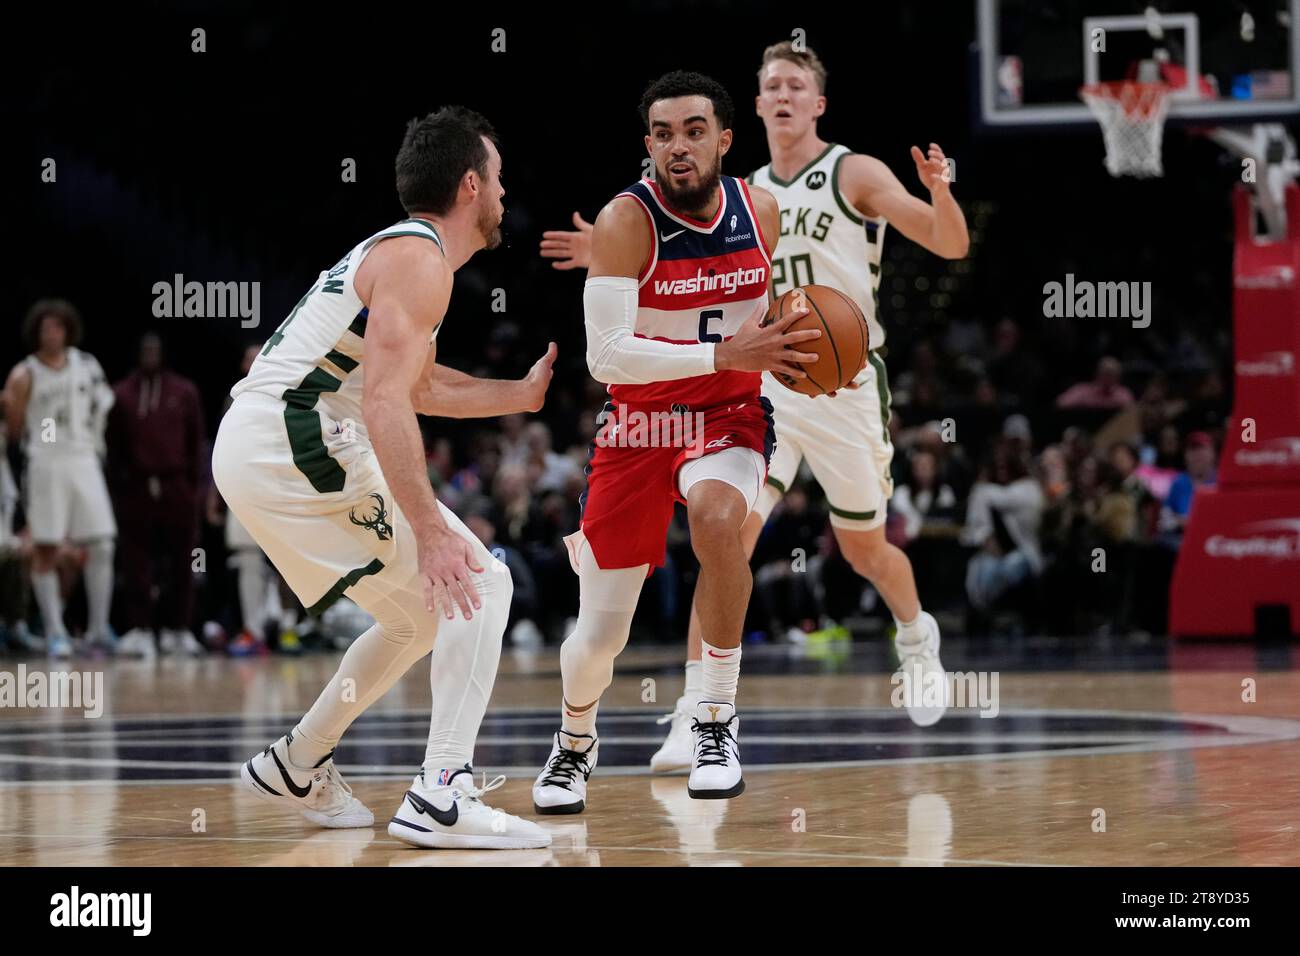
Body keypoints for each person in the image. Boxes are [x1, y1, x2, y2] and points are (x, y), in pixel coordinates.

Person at [539, 42, 971, 767]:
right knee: (724, 536)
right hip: (759, 379)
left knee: (864, 548)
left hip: (839, 383)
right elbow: (689, 271)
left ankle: (916, 636)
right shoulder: (740, 190)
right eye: (770, 84)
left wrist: (941, 192)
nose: (782, 94)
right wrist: (615, 252)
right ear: (756, 104)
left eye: (796, 85)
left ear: (818, 103)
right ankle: (694, 714)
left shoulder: (851, 172)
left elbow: (948, 243)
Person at [212, 106, 556, 850]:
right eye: (498, 178)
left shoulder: (406, 258)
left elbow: (419, 387)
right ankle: (442, 792)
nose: (504, 193)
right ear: (471, 184)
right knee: (479, 582)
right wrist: (432, 530)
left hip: (263, 442)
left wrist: (517, 396)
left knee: (419, 617)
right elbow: (384, 400)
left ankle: (299, 760)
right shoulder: (419, 261)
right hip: (294, 437)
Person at [530, 70, 824, 812]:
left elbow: (769, 323)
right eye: (663, 134)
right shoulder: (625, 222)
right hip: (638, 426)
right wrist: (726, 355)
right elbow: (605, 357)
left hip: (727, 417)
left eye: (694, 130)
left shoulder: (762, 212)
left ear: (726, 139)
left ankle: (714, 721)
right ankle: (573, 741)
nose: (678, 146)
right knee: (599, 638)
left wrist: (809, 354)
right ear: (649, 147)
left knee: (721, 523)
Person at [3, 299, 117, 658]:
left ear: (68, 329)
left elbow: (104, 403)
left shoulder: (87, 364)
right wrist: (49, 437)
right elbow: (17, 428)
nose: (50, 333)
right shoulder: (25, 373)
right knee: (47, 547)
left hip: (84, 457)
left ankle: (99, 629)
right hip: (47, 460)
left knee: (102, 544)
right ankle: (56, 631)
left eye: (56, 326)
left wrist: (94, 438)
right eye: (44, 328)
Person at [108, 333, 206, 657]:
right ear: (137, 354)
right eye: (145, 349)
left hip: (176, 485)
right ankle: (140, 629)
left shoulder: (184, 391)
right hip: (136, 487)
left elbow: (196, 442)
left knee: (182, 561)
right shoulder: (121, 394)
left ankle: (177, 629)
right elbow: (114, 445)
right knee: (135, 561)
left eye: (155, 349)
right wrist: (121, 485)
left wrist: (195, 489)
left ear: (164, 353)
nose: (150, 354)